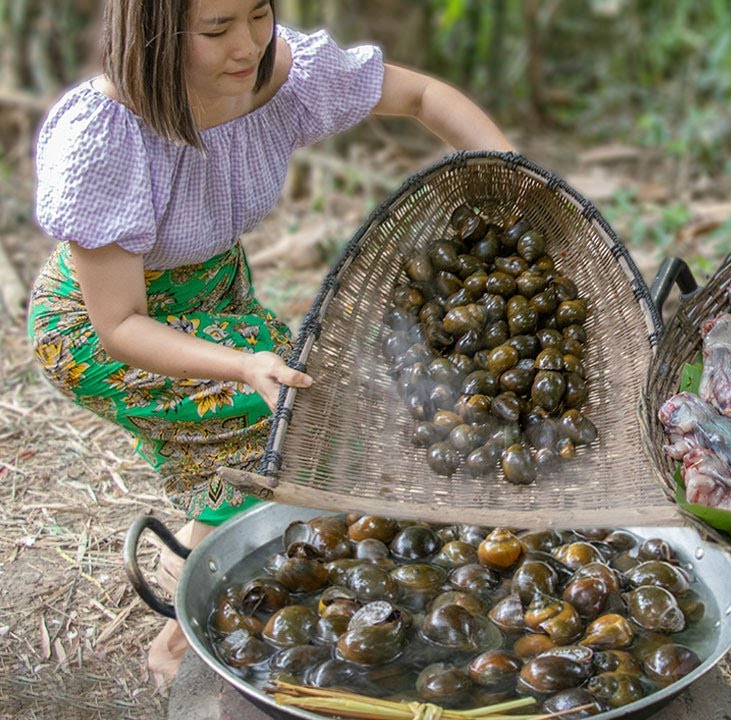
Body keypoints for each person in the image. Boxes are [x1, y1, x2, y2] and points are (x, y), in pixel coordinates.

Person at [27, 0, 515, 688]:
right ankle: (176, 642)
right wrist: (241, 363)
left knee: (259, 436)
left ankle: (197, 555)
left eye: (259, 14)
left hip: (215, 293)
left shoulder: (283, 73)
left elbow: (424, 94)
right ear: (155, 33)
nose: (248, 44)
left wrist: (512, 173)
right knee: (272, 432)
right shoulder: (106, 137)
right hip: (102, 330)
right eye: (217, 29)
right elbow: (120, 323)